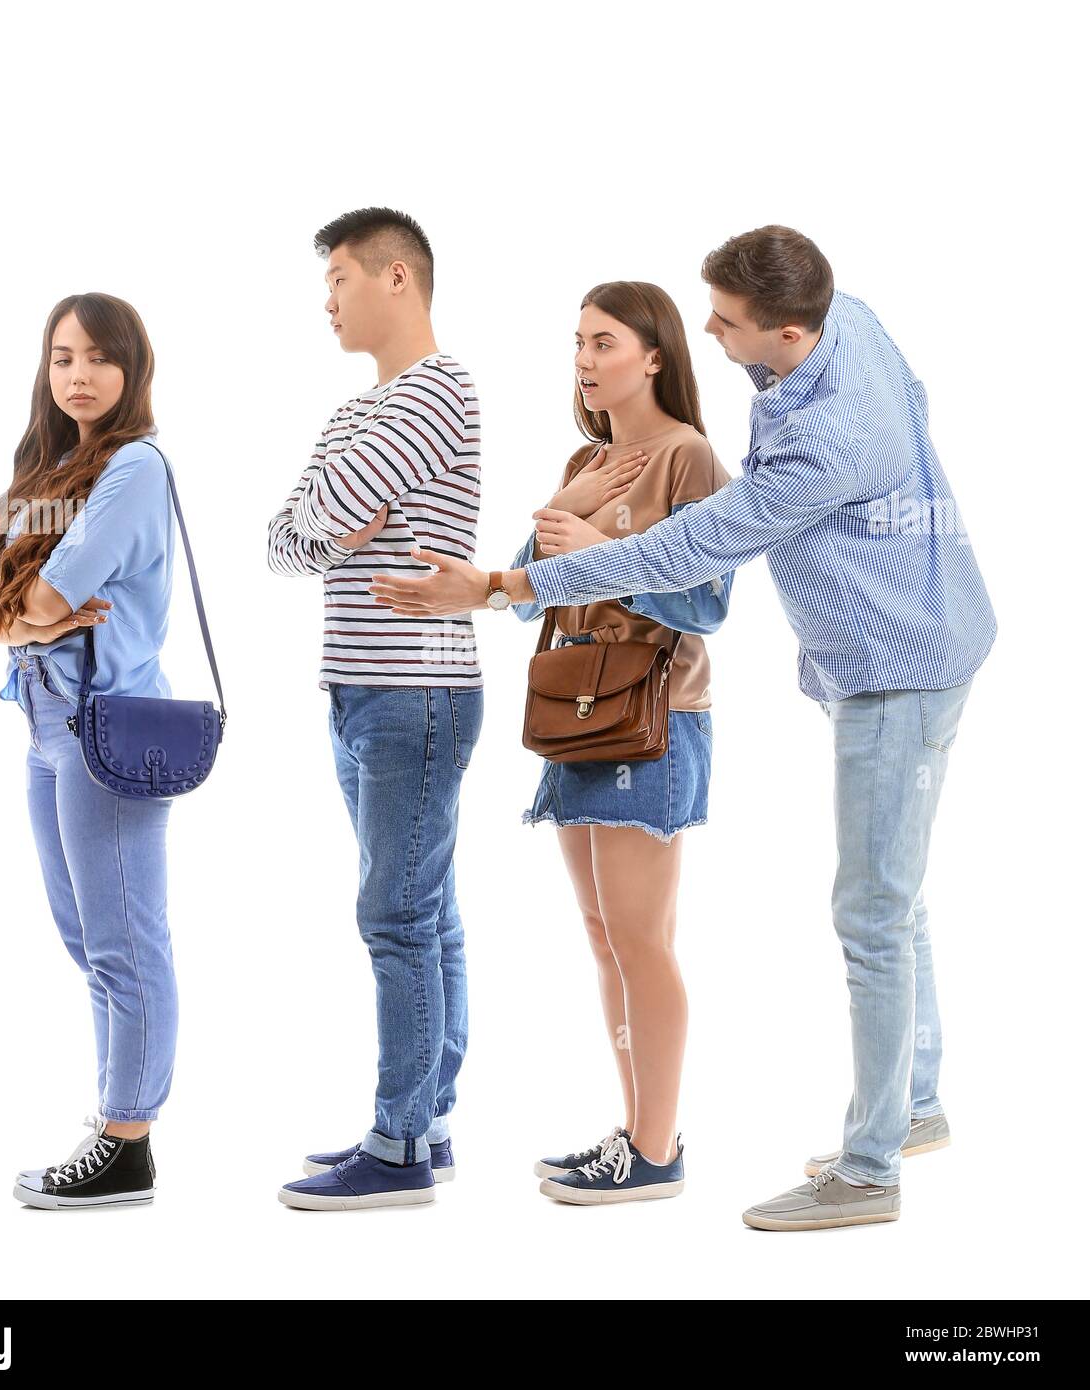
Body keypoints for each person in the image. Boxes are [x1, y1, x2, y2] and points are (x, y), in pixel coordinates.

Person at [368, 225, 996, 1231]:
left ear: (788, 328)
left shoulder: (800, 446)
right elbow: (912, 410)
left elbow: (698, 560)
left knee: (870, 912)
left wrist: (509, 580)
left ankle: (870, 1167)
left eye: (725, 321)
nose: (708, 327)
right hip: (879, 643)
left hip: (897, 665)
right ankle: (911, 1105)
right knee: (879, 898)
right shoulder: (851, 322)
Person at [267, 207, 483, 1211]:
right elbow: (288, 534)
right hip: (359, 683)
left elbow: (332, 507)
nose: (328, 299)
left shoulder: (439, 391)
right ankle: (427, 1122)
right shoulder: (361, 409)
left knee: (395, 914)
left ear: (398, 278)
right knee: (423, 911)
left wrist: (331, 520)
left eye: (341, 278)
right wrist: (328, 524)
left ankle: (397, 1146)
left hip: (415, 686)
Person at [0, 292, 179, 1209]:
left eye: (98, 358)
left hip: (104, 725)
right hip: (44, 728)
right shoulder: (48, 471)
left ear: (132, 368)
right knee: (88, 940)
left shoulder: (133, 470)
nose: (78, 376)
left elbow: (44, 601)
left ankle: (128, 1142)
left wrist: (25, 610)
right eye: (61, 358)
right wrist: (21, 612)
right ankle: (115, 1127)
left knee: (127, 941)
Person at [505, 281, 733, 1203]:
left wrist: (596, 534)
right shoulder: (588, 457)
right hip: (578, 709)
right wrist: (568, 503)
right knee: (605, 936)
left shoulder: (688, 458)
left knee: (642, 937)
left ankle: (656, 1148)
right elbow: (526, 584)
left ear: (654, 355)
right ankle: (638, 1131)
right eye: (579, 343)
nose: (587, 360)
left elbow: (708, 602)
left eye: (605, 342)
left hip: (654, 714)